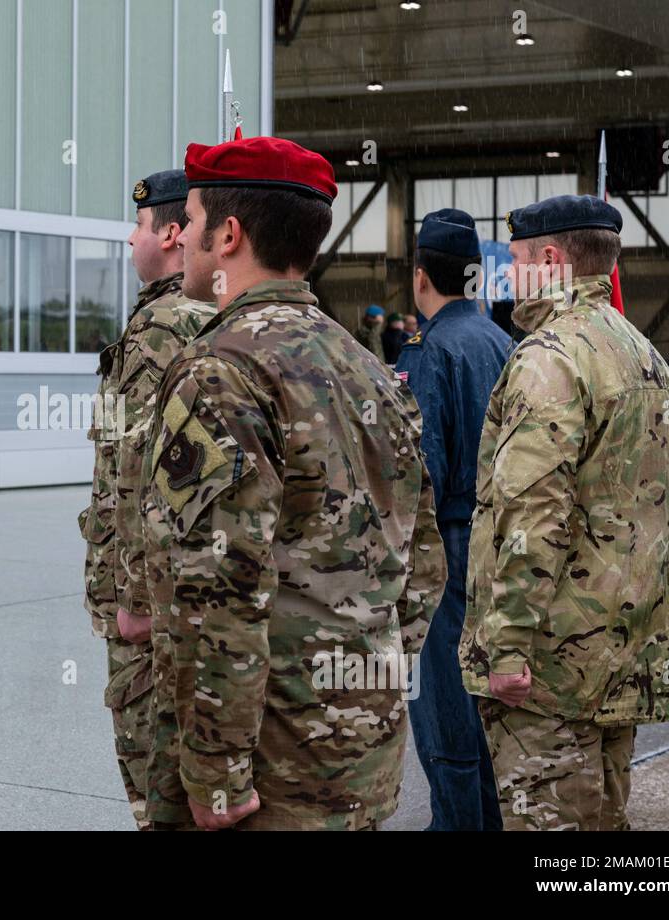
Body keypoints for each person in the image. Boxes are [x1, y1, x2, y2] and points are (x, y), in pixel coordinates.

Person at [142, 135, 446, 830]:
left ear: (228, 234)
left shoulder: (219, 371)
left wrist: (215, 774)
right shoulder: (371, 367)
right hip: (359, 755)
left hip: (267, 775)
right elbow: (423, 561)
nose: (180, 237)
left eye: (188, 220)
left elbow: (217, 591)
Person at [461, 194, 669, 831]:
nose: (508, 274)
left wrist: (504, 646)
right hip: (621, 652)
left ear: (550, 259)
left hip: (551, 664)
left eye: (517, 260)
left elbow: (532, 516)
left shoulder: (548, 360)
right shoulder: (645, 356)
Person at [79, 169, 216, 829]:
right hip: (204, 597)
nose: (130, 239)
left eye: (138, 225)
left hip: (153, 610)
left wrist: (132, 601)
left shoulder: (162, 327)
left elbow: (139, 472)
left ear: (169, 233)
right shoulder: (220, 312)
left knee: (157, 785)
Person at [396, 209, 512, 831]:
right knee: (491, 713)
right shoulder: (504, 343)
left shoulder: (429, 351)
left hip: (447, 548)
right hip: (502, 546)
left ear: (421, 277)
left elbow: (418, 477)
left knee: (446, 716)